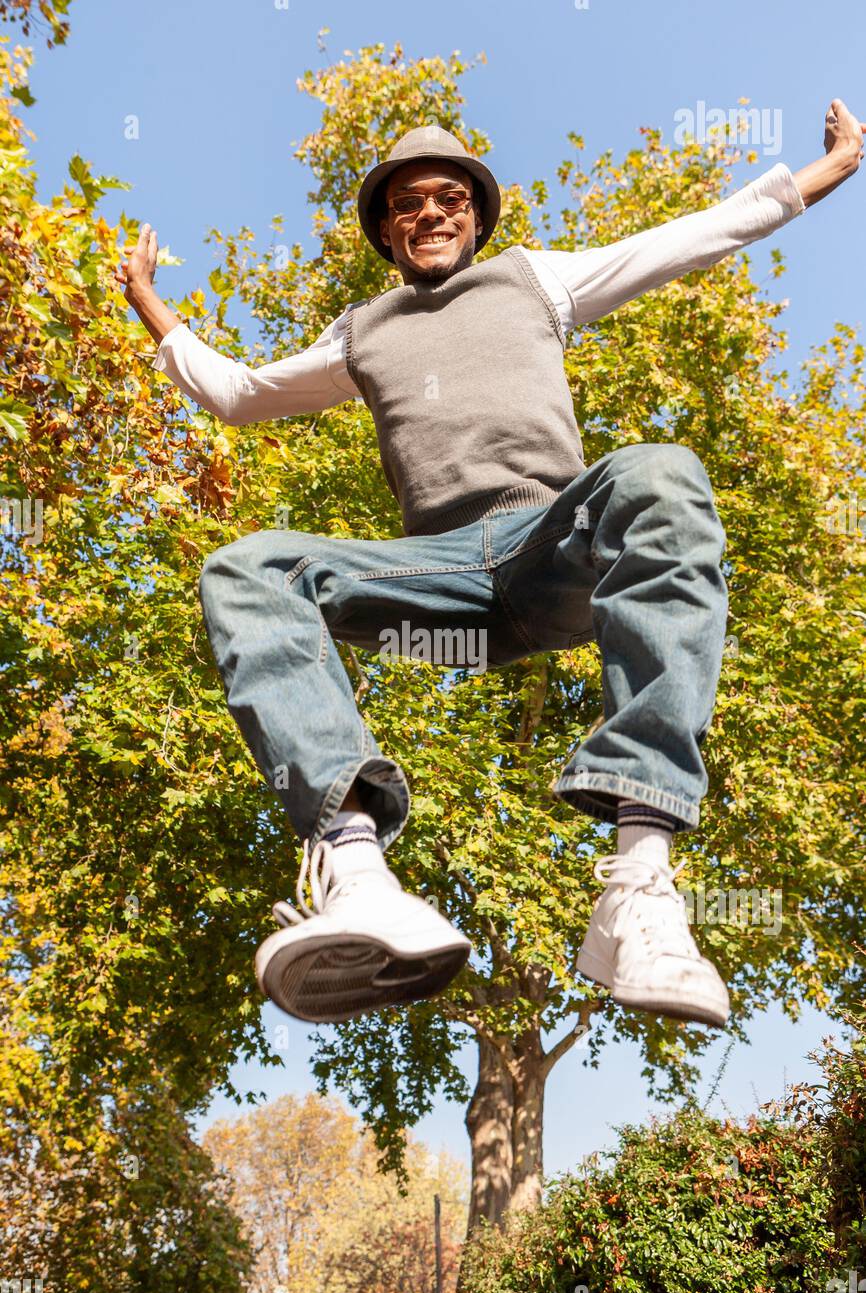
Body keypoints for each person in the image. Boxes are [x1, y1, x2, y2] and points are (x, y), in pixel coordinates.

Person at [117, 103, 863, 1030]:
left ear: (476, 214)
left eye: (447, 198)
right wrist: (147, 298)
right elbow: (236, 394)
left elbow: (690, 238)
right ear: (386, 229)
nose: (429, 213)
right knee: (246, 567)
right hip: (437, 583)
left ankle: (638, 886)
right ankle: (356, 870)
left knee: (662, 475)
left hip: (551, 549)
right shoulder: (362, 330)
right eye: (407, 204)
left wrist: (826, 172)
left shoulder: (534, 281)